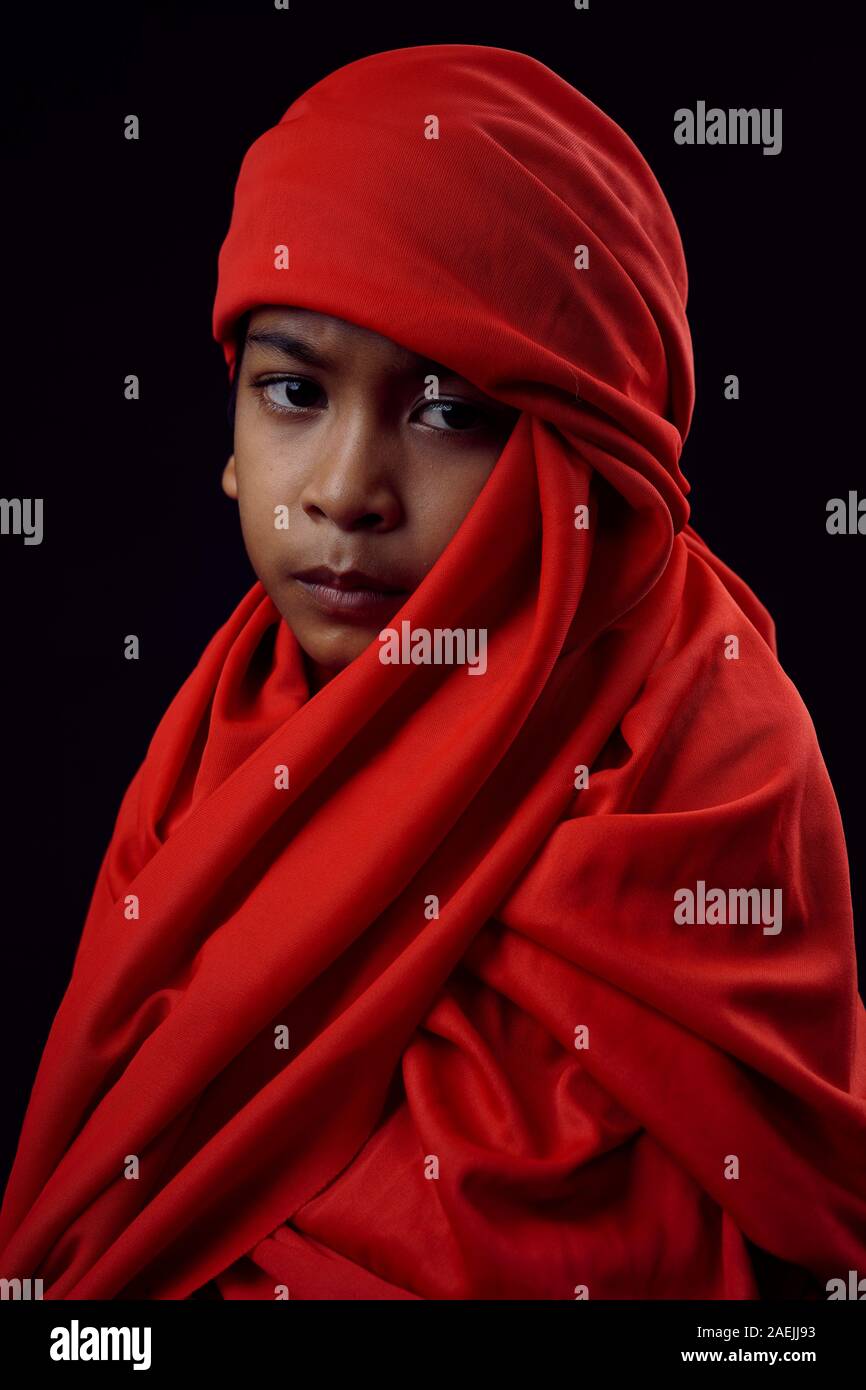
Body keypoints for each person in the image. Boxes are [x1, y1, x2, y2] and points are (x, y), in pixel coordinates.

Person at [1, 43, 864, 1301]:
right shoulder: (223, 736)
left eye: (450, 411)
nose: (343, 493)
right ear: (230, 435)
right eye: (291, 391)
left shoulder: (703, 765)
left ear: (588, 461)